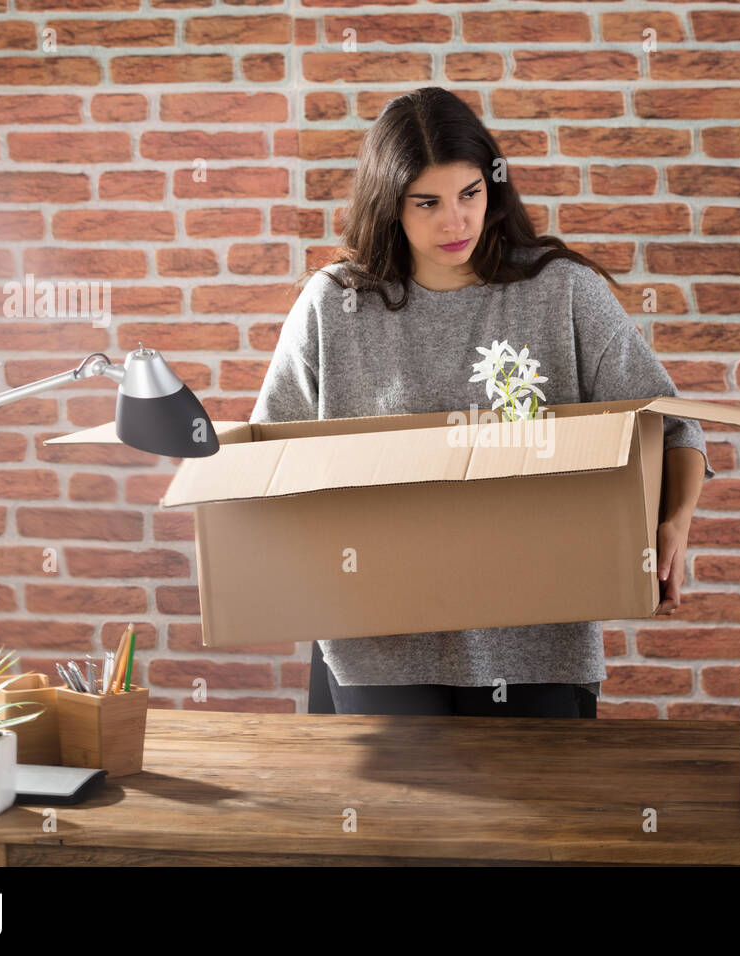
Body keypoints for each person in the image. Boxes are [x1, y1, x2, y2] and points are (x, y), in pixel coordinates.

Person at [250, 87, 716, 719]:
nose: (455, 222)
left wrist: (674, 522)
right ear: (390, 206)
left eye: (470, 194)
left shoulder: (562, 292)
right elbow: (267, 460)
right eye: (428, 203)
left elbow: (672, 424)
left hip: (538, 645)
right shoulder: (334, 307)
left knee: (542, 819)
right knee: (404, 820)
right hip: (378, 648)